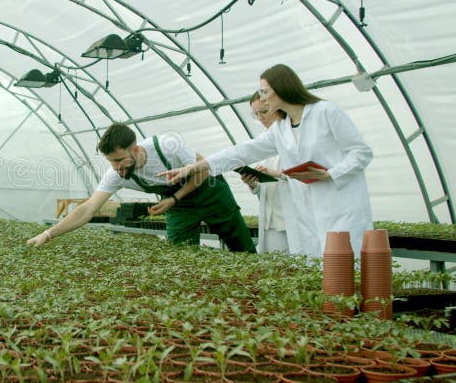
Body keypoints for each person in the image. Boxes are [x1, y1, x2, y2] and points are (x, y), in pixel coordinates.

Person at [159, 64, 373, 258]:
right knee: (318, 268)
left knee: (346, 266)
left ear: (283, 88)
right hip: (307, 211)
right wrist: (194, 167)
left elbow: (361, 152)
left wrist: (330, 174)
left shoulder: (325, 112)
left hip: (340, 205)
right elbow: (242, 151)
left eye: (265, 91)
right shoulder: (281, 128)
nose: (263, 98)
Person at [27, 123, 256, 252]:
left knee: (241, 247)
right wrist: (48, 234)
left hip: (210, 192)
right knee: (180, 256)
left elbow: (204, 170)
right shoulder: (117, 174)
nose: (115, 167)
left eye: (119, 160)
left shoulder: (166, 146)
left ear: (135, 150)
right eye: (110, 162)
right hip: (180, 206)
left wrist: (174, 198)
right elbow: (88, 209)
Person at [242, 91, 290, 253]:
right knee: (275, 269)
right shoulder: (263, 140)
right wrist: (254, 184)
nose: (261, 118)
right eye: (256, 114)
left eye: (263, 111)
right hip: (270, 220)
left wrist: (274, 173)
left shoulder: (292, 135)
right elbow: (265, 188)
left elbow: (305, 176)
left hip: (290, 217)